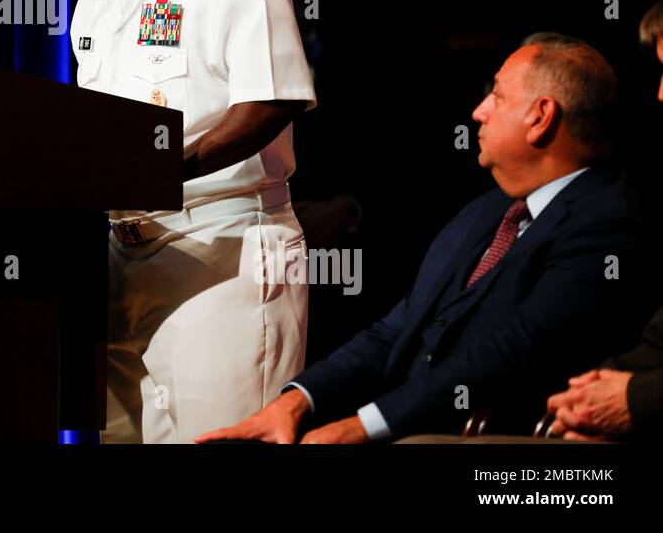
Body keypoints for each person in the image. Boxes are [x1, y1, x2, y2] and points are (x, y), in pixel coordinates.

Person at [196, 34, 654, 443]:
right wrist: (295, 403)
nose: (478, 111)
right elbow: (394, 330)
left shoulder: (609, 221)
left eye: (495, 94)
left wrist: (360, 427)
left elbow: (511, 353)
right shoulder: (485, 211)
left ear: (541, 116)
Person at [68, 0, 316, 443]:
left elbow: (271, 100)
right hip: (115, 259)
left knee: (216, 442)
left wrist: (160, 169)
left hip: (221, 248)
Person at [544, 0, 663, 440]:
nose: (661, 94)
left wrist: (635, 400)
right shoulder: (475, 216)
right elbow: (660, 342)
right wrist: (592, 394)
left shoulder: (610, 211)